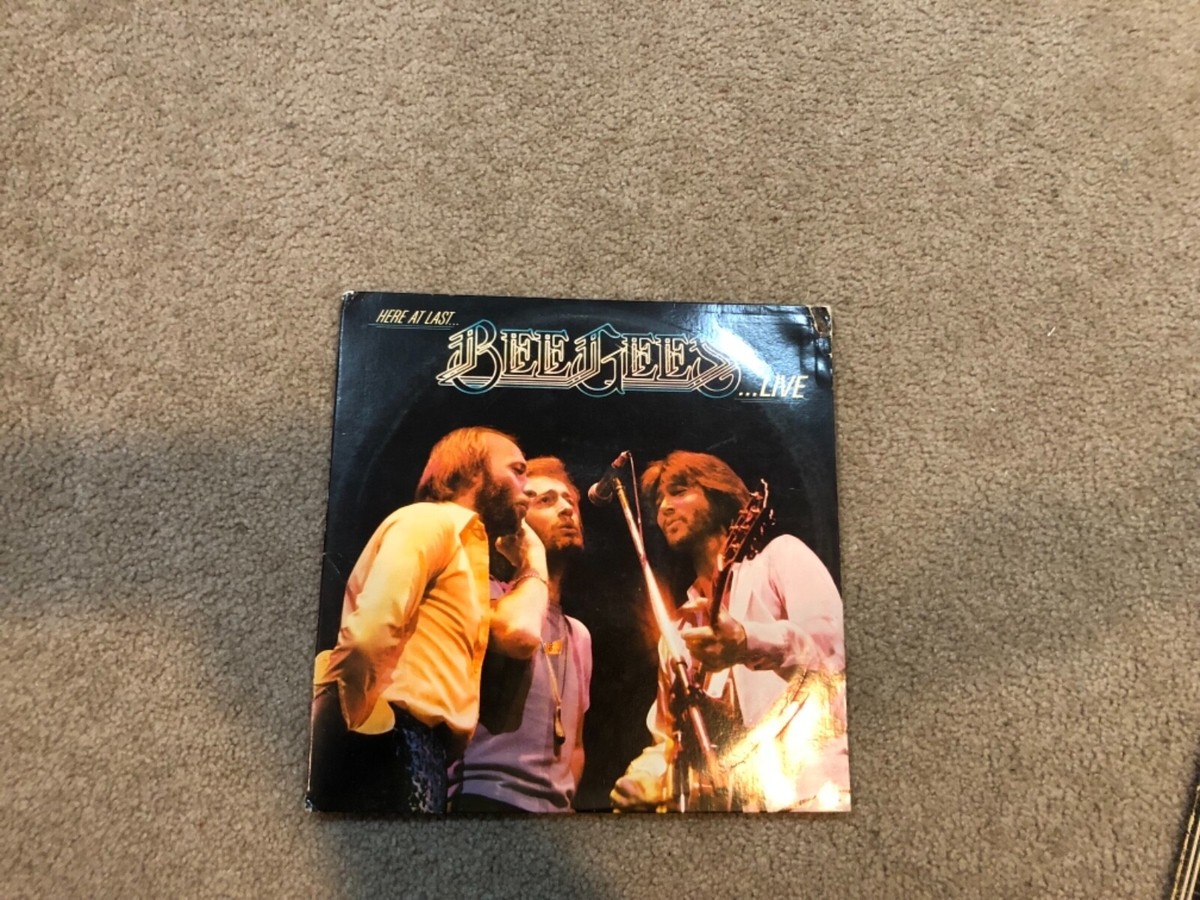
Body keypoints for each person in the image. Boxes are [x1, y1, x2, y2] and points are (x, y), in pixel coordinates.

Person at [308, 427, 549, 813]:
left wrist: (533, 561)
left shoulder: (466, 555)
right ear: (471, 472)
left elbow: (504, 705)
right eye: (517, 470)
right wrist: (350, 734)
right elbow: (370, 633)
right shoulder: (427, 521)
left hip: (425, 754)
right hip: (390, 741)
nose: (529, 487)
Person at [610, 451, 850, 812]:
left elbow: (833, 647)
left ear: (719, 494)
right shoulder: (676, 634)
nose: (665, 508)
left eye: (679, 491)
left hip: (817, 793)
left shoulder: (780, 558)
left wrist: (746, 641)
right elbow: (668, 736)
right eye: (658, 502)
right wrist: (643, 776)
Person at [450, 457, 593, 813]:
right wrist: (532, 556)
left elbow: (574, 746)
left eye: (569, 501)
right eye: (545, 501)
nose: (566, 509)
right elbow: (516, 632)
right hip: (482, 801)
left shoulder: (578, 634)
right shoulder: (484, 595)